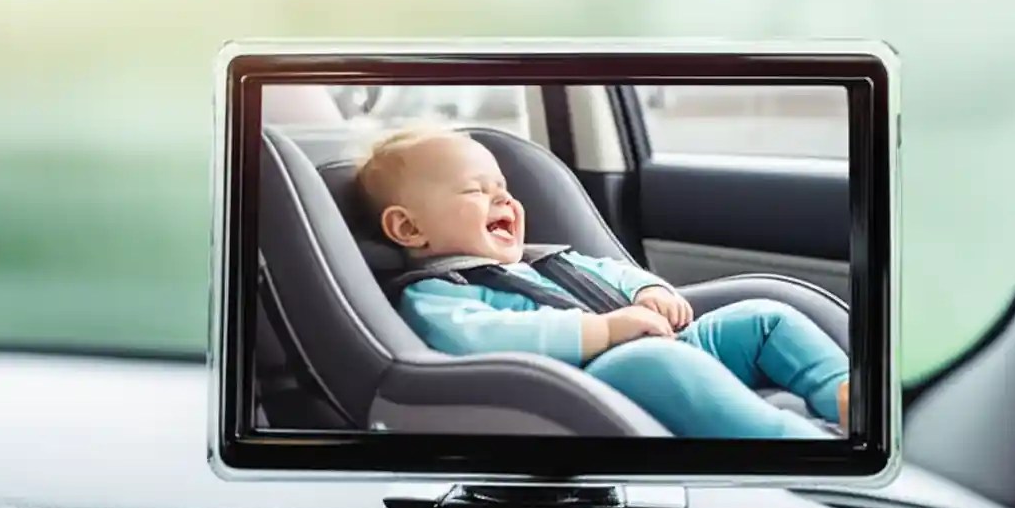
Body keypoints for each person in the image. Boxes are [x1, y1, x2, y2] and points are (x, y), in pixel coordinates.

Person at [352, 124, 850, 439]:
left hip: (663, 341)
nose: (502, 201)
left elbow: (611, 272)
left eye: (503, 189)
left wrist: (647, 292)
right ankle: (797, 446)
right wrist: (606, 332)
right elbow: (486, 341)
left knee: (762, 318)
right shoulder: (436, 294)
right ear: (409, 228)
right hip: (593, 380)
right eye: (475, 191)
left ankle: (844, 395)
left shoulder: (545, 259)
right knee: (658, 361)